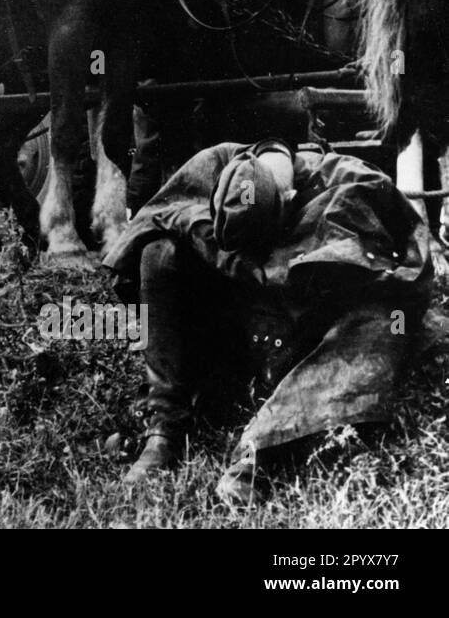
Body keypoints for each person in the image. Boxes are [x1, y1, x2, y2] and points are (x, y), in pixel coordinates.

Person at [104, 138, 433, 506]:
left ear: (289, 199)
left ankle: (262, 452)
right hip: (243, 324)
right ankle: (165, 427)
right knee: (160, 253)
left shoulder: (352, 187)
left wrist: (267, 271)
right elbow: (156, 221)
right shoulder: (215, 163)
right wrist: (234, 262)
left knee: (387, 321)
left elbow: (403, 273)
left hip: (312, 327)